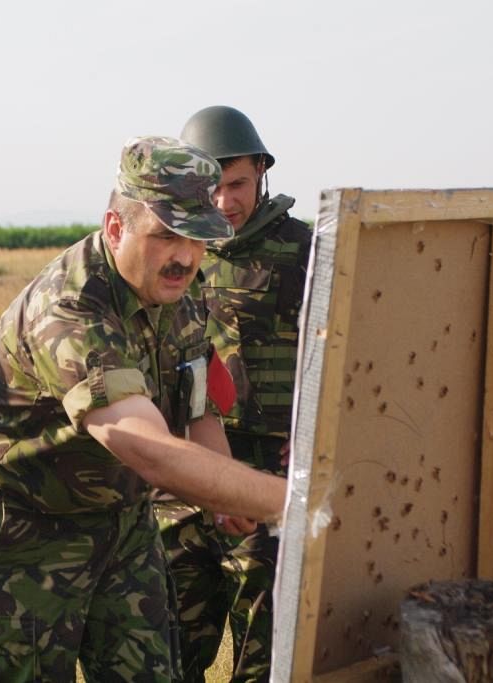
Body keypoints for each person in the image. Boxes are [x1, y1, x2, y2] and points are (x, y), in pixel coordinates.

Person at [0, 136, 288, 683]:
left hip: (123, 522)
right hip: (26, 528)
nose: (185, 257)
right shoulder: (71, 309)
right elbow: (142, 445)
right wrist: (292, 502)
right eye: (166, 235)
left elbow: (197, 407)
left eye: (197, 238)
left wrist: (223, 499)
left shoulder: (178, 292)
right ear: (116, 226)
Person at [156, 106, 313, 682]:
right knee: (166, 654)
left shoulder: (309, 253)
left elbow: (351, 360)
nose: (225, 202)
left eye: (238, 184)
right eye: (211, 187)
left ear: (263, 174)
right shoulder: (166, 254)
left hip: (269, 475)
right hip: (181, 473)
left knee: (267, 656)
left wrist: (312, 444)